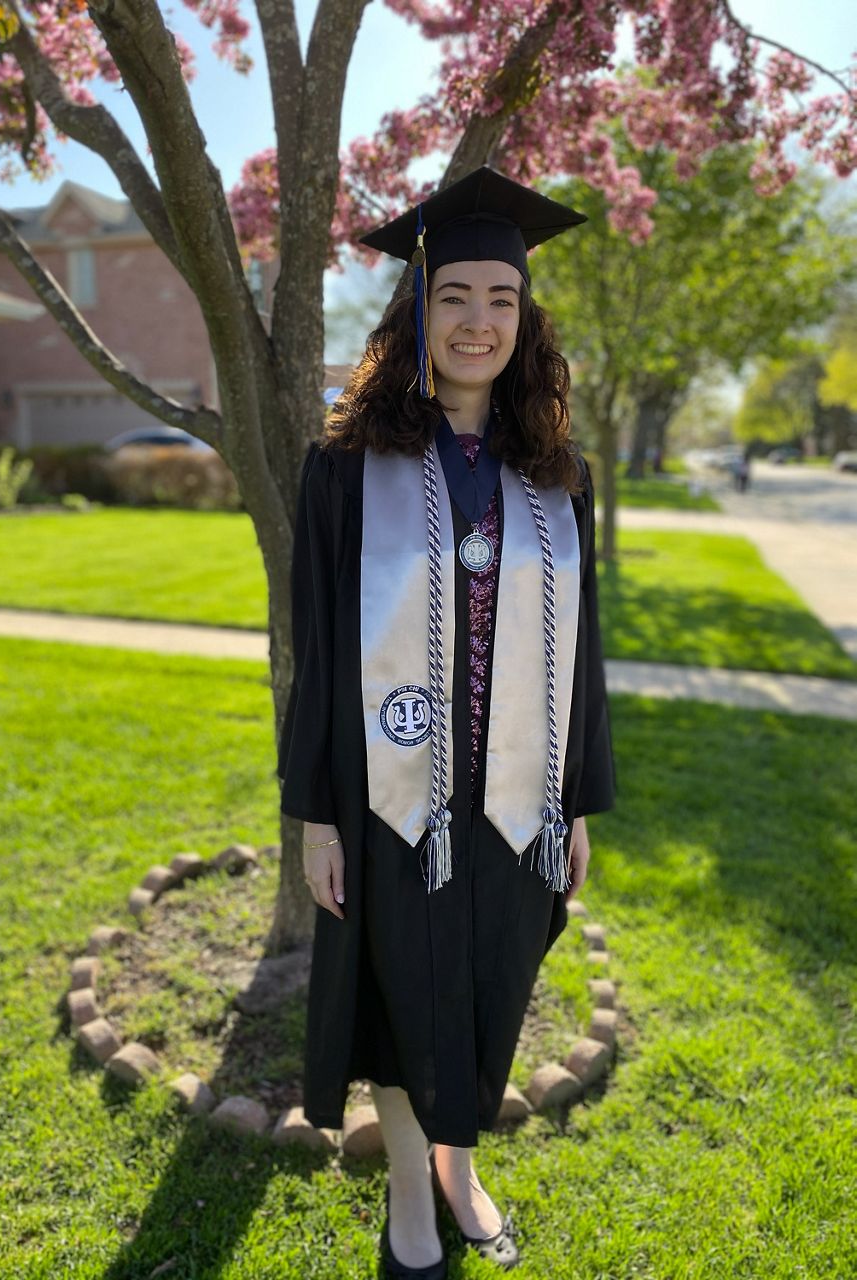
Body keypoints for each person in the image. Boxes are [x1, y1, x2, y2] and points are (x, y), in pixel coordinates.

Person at [277, 166, 617, 1278]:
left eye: (501, 300)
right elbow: (320, 656)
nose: (479, 322)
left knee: (491, 984)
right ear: (417, 310)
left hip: (515, 794)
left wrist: (573, 800)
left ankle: (461, 1174)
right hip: (391, 793)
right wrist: (316, 816)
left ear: (526, 321)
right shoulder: (342, 470)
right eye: (456, 295)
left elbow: (584, 656)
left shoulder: (557, 477)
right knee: (397, 994)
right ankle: (411, 1206)